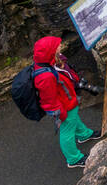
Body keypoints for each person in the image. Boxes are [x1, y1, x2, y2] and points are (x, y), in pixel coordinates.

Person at [32, 36, 99, 168]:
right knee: (67, 132)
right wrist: (60, 113)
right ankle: (74, 159)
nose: (60, 45)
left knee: (74, 119)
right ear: (50, 51)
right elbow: (49, 100)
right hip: (63, 107)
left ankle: (84, 134)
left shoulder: (51, 62)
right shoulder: (45, 76)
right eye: (57, 46)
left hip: (69, 102)